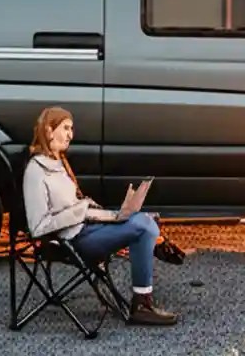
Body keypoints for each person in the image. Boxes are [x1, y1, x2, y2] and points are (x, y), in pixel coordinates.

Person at [21, 105, 179, 326]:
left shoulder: (57, 165)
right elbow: (38, 226)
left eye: (71, 128)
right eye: (65, 128)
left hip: (86, 230)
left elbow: (75, 207)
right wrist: (80, 211)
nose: (70, 134)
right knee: (143, 226)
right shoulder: (35, 170)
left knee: (145, 218)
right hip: (72, 241)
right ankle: (142, 305)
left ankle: (145, 293)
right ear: (48, 130)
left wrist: (108, 214)